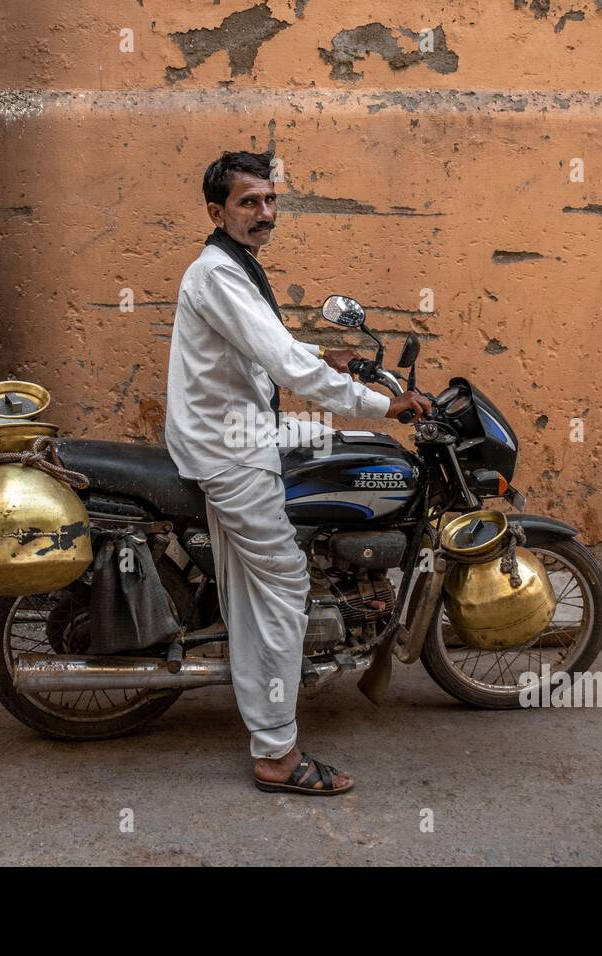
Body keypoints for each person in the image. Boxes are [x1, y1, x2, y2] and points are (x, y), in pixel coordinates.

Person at [163, 150, 431, 795]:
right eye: (249, 202)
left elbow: (268, 348)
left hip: (236, 432)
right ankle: (278, 756)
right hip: (231, 449)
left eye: (270, 200)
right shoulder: (218, 275)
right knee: (281, 587)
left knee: (329, 455)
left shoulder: (234, 267)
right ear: (217, 211)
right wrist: (381, 405)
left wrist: (329, 356)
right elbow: (282, 363)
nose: (264, 213)